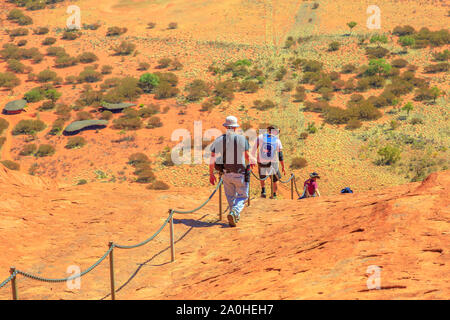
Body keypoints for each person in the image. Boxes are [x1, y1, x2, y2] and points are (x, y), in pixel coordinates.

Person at [209, 116, 255, 227]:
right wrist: (253, 161)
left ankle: (234, 216)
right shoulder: (242, 139)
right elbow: (246, 155)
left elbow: (212, 158)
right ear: (235, 128)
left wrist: (211, 174)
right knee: (243, 196)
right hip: (240, 173)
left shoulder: (219, 140)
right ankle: (234, 212)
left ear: (226, 127)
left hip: (226, 173)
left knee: (230, 196)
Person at [254, 125, 286, 199]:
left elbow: (254, 148)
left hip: (261, 161)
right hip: (272, 162)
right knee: (275, 179)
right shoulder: (277, 141)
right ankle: (274, 195)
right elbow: (280, 155)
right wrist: (283, 166)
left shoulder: (260, 137)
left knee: (262, 176)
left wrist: (253, 159)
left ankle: (263, 191)